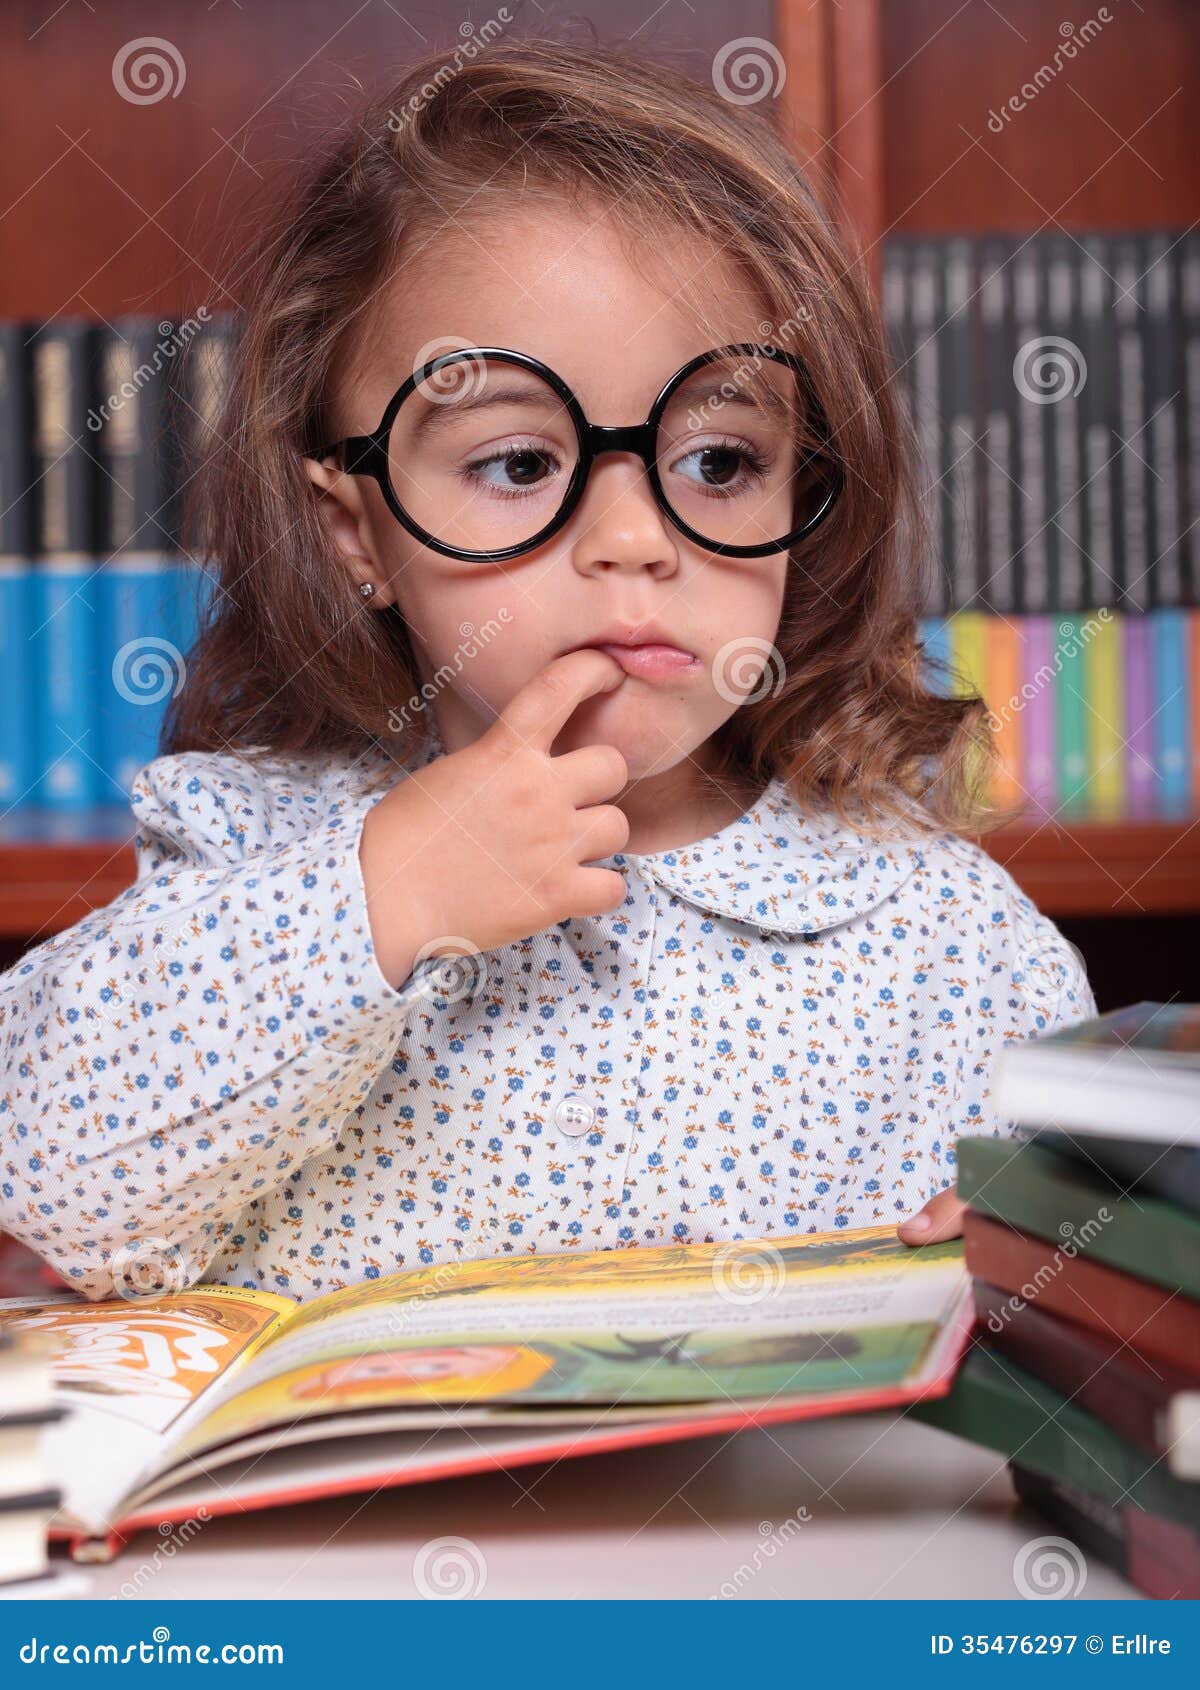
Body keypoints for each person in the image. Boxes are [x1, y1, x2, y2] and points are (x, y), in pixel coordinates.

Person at [0, 40, 1094, 1306]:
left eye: (721, 462)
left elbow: (1101, 1341)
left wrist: (1045, 1291)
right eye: (519, 464)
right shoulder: (256, 851)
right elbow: (50, 1180)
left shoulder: (947, 939)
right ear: (358, 535)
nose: (636, 540)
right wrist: (385, 894)